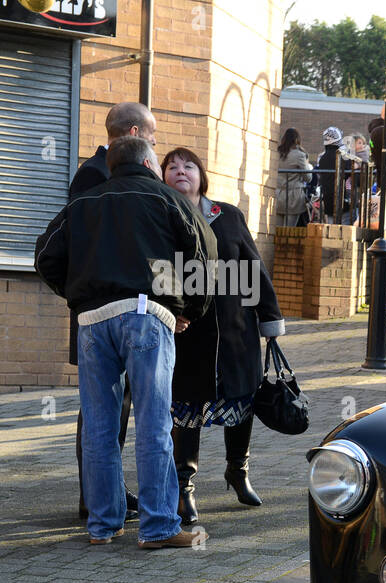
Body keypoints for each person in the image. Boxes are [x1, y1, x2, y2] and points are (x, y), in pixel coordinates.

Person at [35, 136, 216, 548]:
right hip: (145, 315)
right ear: (151, 163)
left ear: (111, 166)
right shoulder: (168, 200)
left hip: (93, 321)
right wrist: (188, 309)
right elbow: (202, 257)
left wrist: (79, 293)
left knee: (99, 427)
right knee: (153, 424)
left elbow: (45, 256)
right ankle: (158, 528)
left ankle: (103, 525)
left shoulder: (83, 202)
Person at [161, 147, 285, 524]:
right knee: (186, 409)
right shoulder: (161, 217)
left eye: (189, 166)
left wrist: (269, 319)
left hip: (236, 330)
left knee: (241, 402)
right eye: (172, 166)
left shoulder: (228, 216)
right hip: (187, 333)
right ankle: (184, 487)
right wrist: (171, 311)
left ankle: (238, 472)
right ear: (162, 176)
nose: (181, 171)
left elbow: (253, 268)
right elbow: (159, 272)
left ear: (201, 176)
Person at [69, 102, 156, 524]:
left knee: (115, 406)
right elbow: (73, 243)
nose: (155, 146)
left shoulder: (106, 172)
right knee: (100, 408)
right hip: (100, 312)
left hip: (122, 310)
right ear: (135, 132)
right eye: (153, 138)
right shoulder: (93, 174)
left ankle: (110, 492)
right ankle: (95, 497)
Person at [276, 128, 312, 228]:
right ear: (297, 140)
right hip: (293, 196)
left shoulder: (277, 153)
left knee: (276, 231)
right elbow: (308, 178)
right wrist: (307, 162)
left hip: (278, 195)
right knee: (289, 231)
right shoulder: (300, 155)